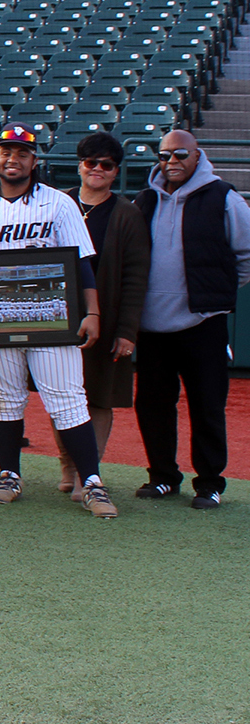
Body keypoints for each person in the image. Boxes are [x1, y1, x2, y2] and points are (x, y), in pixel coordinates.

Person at [0, 123, 117, 518]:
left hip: (52, 317)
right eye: (6, 152)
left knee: (68, 399)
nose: (12, 159)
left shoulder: (58, 203)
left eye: (21, 153)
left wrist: (92, 312)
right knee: (3, 401)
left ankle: (91, 481)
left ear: (34, 160)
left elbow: (83, 263)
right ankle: (9, 475)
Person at [132, 129, 250, 510]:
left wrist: (215, 293)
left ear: (198, 156)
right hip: (152, 327)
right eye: (164, 155)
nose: (172, 162)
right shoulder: (145, 199)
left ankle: (210, 483)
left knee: (207, 405)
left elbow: (246, 256)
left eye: (180, 154)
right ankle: (163, 476)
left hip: (203, 323)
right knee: (152, 405)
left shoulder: (224, 197)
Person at [59, 131, 147, 493]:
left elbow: (136, 277)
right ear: (80, 166)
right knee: (61, 395)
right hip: (58, 316)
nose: (96, 169)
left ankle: (87, 473)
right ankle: (67, 469)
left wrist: (127, 331)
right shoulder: (60, 203)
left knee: (98, 397)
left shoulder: (127, 214)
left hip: (106, 320)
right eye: (90, 162)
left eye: (106, 165)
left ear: (115, 172)